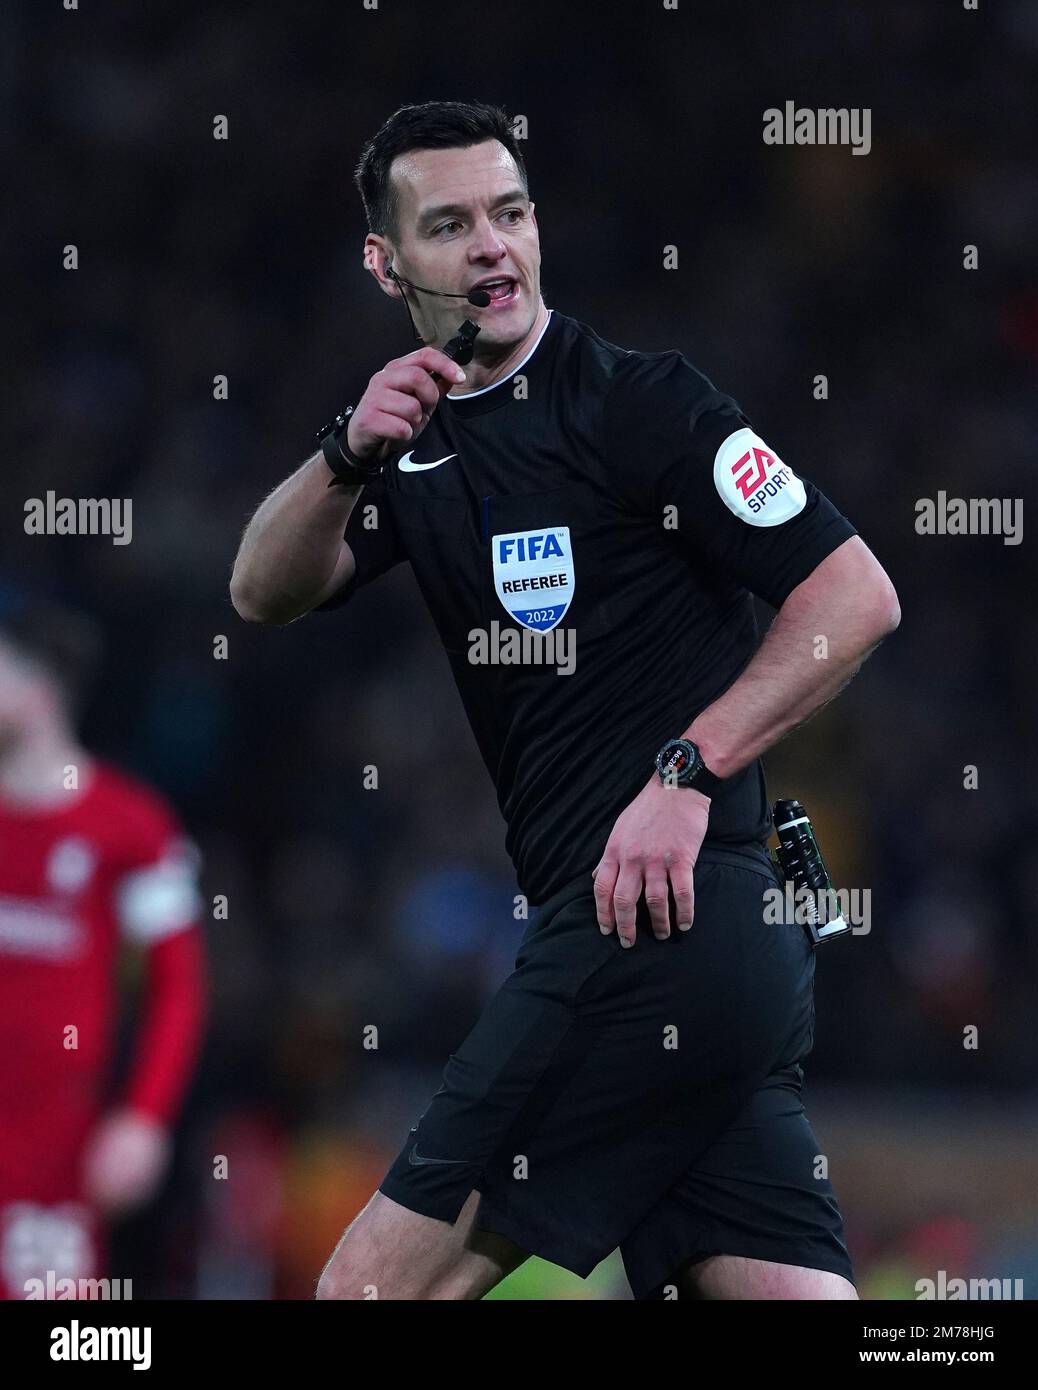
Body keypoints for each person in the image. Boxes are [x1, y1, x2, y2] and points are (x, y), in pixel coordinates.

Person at [230, 100, 900, 1301]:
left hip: (655, 927)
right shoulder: (417, 447)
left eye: (512, 213)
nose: (494, 245)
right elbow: (264, 591)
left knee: (368, 1293)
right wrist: (340, 454)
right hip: (707, 967)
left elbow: (853, 595)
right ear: (386, 265)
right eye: (450, 225)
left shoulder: (639, 403)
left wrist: (681, 772)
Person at [0, 600, 207, 1299]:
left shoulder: (131, 826)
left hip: (54, 1147)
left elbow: (177, 987)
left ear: (39, 685)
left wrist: (144, 1119)